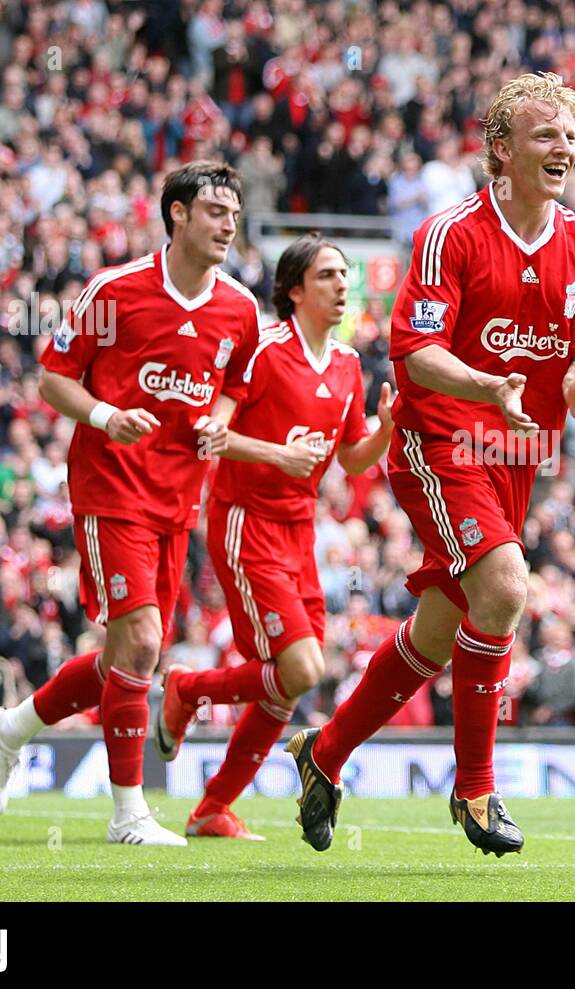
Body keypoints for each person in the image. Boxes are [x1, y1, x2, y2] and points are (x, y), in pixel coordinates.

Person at [285, 72, 575, 856]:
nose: (563, 146)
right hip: (441, 444)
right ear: (501, 151)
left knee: (441, 631)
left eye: (569, 134)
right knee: (503, 589)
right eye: (545, 135)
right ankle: (474, 791)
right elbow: (413, 352)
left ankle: (322, 755)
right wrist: (485, 386)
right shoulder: (450, 234)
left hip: (519, 455)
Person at [0, 162, 260, 846]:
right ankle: (128, 814)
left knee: (126, 659)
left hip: (177, 498)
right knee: (138, 641)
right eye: (215, 210)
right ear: (178, 215)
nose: (228, 224)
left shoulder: (241, 309)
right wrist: (106, 416)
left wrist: (219, 422)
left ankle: (9, 727)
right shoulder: (115, 289)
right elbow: (52, 378)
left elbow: (236, 388)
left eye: (234, 212)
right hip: (111, 485)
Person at [154, 234, 394, 841]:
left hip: (299, 530)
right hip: (245, 519)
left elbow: (354, 458)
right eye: (327, 276)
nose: (342, 285)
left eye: (345, 274)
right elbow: (210, 433)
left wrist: (388, 429)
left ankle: (211, 809)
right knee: (302, 668)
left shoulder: (345, 364)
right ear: (293, 290)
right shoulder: (260, 348)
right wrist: (276, 454)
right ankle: (187, 688)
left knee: (284, 686)